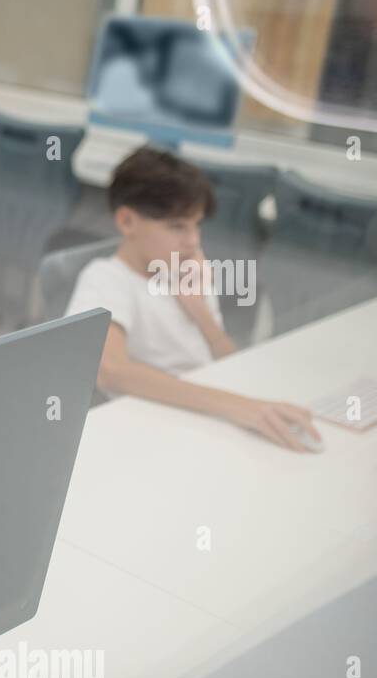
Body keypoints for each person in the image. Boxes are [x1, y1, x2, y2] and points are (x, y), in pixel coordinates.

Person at [65, 147, 322, 451]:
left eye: (196, 224)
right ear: (127, 222)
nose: (193, 241)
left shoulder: (185, 272)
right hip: (152, 426)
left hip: (206, 409)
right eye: (177, 226)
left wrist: (201, 313)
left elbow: (228, 361)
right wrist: (237, 406)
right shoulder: (106, 279)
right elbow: (111, 371)